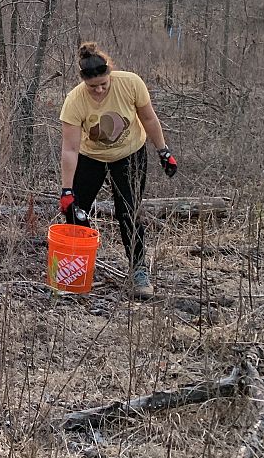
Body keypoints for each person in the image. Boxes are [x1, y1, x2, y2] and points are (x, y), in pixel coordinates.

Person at [58, 42, 178, 299]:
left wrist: (163, 151)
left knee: (129, 211)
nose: (99, 90)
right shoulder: (74, 101)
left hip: (130, 154)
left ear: (110, 74)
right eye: (93, 86)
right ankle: (77, 268)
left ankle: (138, 271)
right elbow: (69, 149)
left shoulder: (130, 83)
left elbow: (148, 119)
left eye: (104, 83)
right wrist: (66, 190)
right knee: (75, 211)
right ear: (83, 82)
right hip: (91, 157)